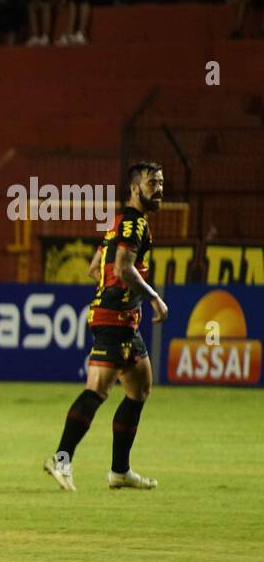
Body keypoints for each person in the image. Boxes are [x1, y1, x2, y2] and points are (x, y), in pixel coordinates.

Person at [45, 162, 167, 491]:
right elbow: (123, 268)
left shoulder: (119, 224)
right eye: (151, 183)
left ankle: (119, 471)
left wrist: (117, 287)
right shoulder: (132, 223)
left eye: (160, 183)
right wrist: (153, 297)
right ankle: (61, 458)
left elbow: (94, 267)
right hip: (113, 318)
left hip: (124, 319)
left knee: (139, 388)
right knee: (97, 389)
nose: (158, 189)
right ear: (134, 188)